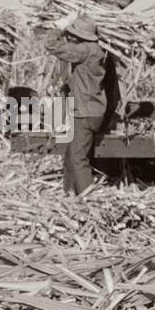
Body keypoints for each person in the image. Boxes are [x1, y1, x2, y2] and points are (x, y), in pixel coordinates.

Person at [45, 12, 107, 196]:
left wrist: (58, 27)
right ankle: (69, 194)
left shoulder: (85, 50)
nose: (69, 36)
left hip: (85, 112)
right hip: (90, 109)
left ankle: (88, 200)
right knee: (71, 154)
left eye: (72, 34)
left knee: (78, 157)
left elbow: (51, 45)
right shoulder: (96, 49)